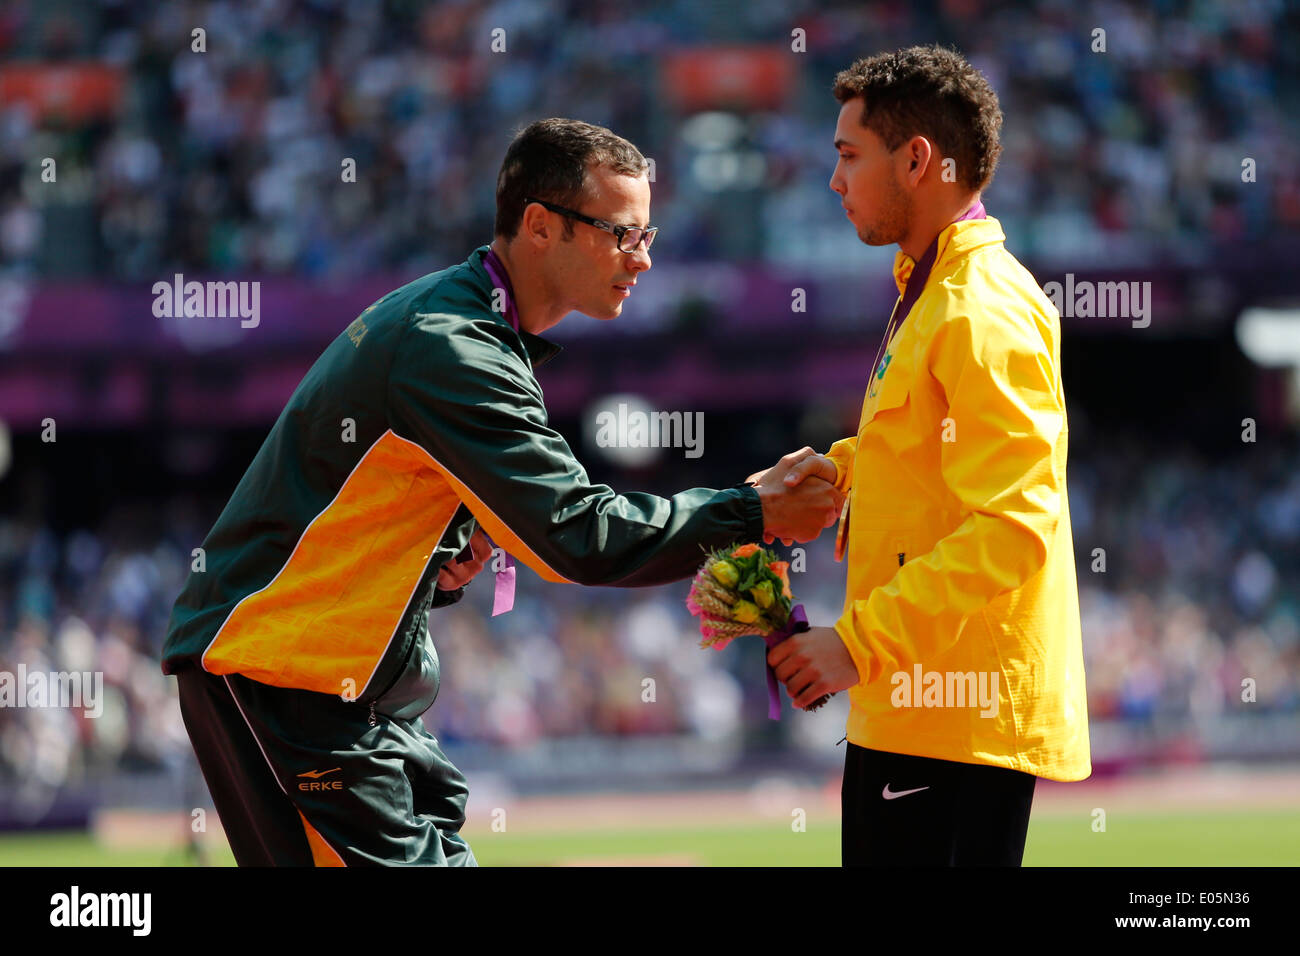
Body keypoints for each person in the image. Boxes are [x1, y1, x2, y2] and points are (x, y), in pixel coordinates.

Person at [160, 117, 842, 866]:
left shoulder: (464, 324)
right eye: (623, 234)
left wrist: (439, 559)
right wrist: (753, 511)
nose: (642, 260)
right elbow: (577, 537)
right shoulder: (452, 345)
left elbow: (361, 505)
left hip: (336, 686)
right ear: (541, 226)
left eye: (648, 236)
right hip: (276, 670)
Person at [761, 46, 1091, 866]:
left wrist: (858, 644)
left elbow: (1016, 524)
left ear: (916, 161)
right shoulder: (931, 288)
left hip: (953, 718)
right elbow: (925, 454)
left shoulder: (979, 308)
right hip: (916, 708)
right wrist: (835, 475)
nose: (834, 181)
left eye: (848, 155)